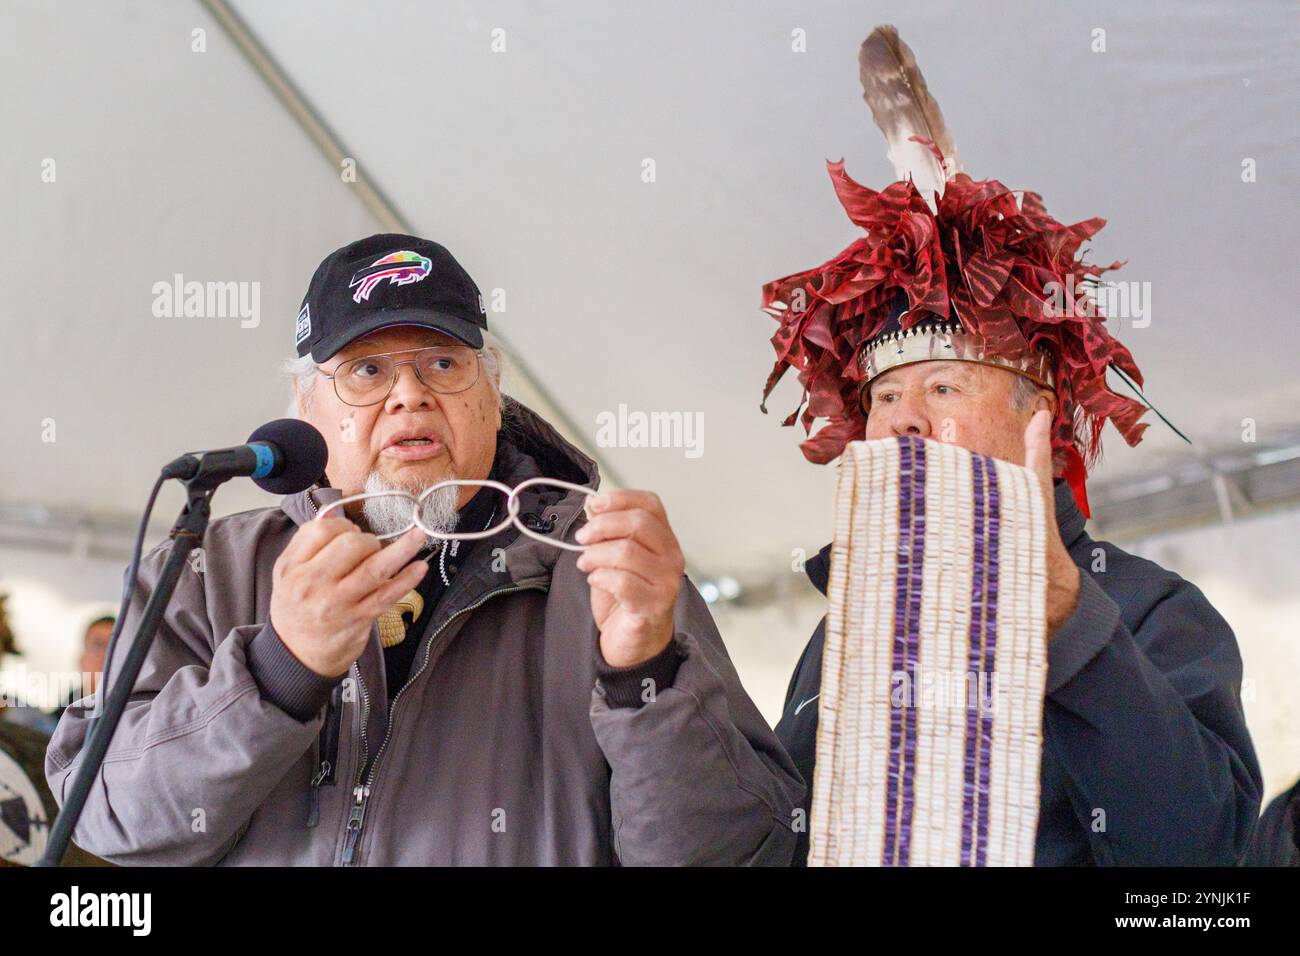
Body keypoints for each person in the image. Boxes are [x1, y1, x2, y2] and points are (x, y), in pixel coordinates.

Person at [47, 233, 802, 866]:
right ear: (307, 412)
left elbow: (746, 849)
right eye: (367, 371)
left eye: (442, 363)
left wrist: (646, 674)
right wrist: (280, 671)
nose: (409, 395)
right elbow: (111, 819)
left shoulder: (605, 569)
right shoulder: (209, 570)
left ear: (491, 397)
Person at [762, 27, 1260, 865]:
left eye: (944, 387)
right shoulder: (840, 628)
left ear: (1042, 416)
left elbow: (1200, 865)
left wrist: (1070, 621)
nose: (903, 420)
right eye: (884, 396)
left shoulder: (1152, 612)